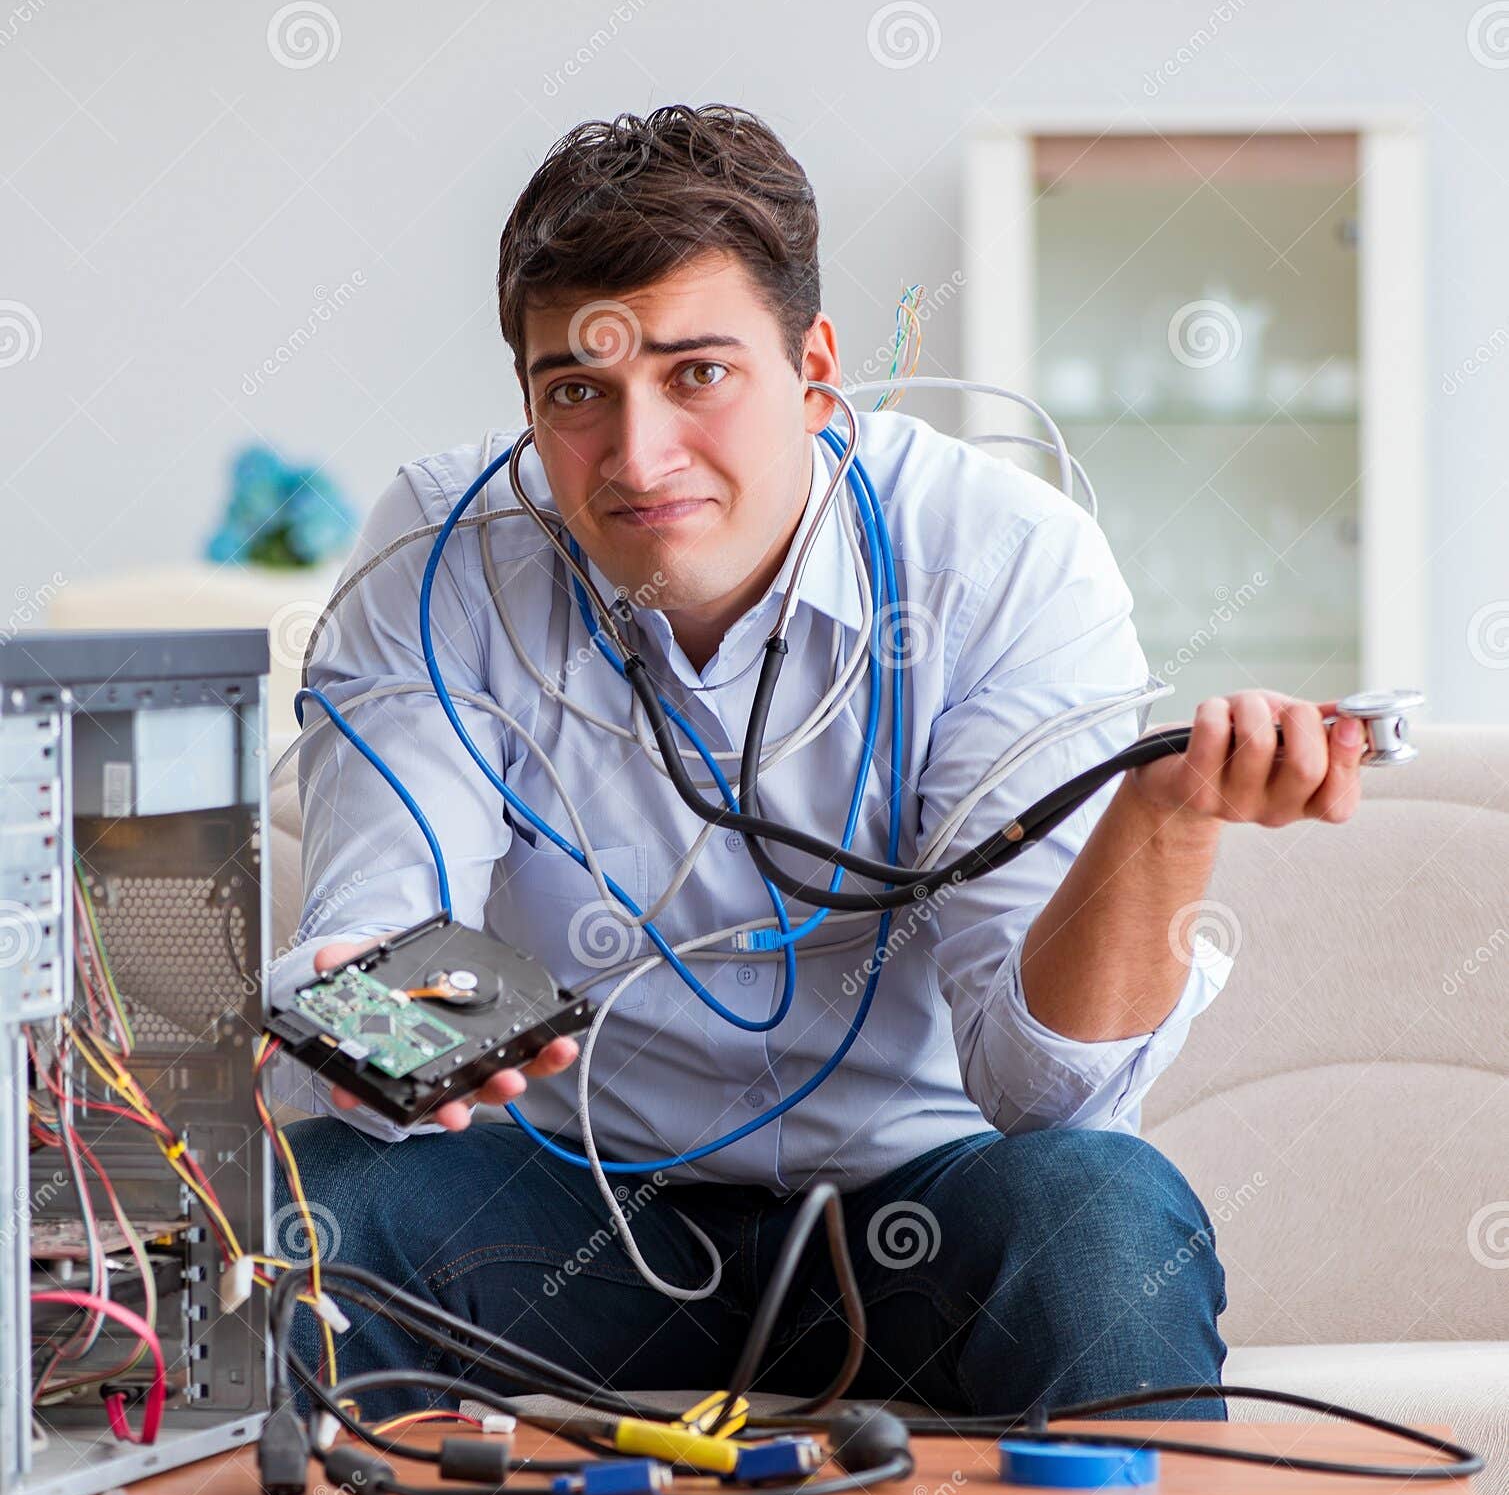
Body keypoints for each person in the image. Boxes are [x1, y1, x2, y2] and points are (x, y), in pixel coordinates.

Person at [268, 103, 1368, 1422]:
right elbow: (383, 949)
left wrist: (1163, 824)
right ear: (527, 401)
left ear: (816, 371)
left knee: (1098, 1210)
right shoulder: (440, 551)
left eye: (697, 373)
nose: (636, 456)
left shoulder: (997, 553)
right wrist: (369, 1027)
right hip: (574, 1218)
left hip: (916, 1213)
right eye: (578, 392)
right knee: (316, 1203)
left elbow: (1046, 1094)